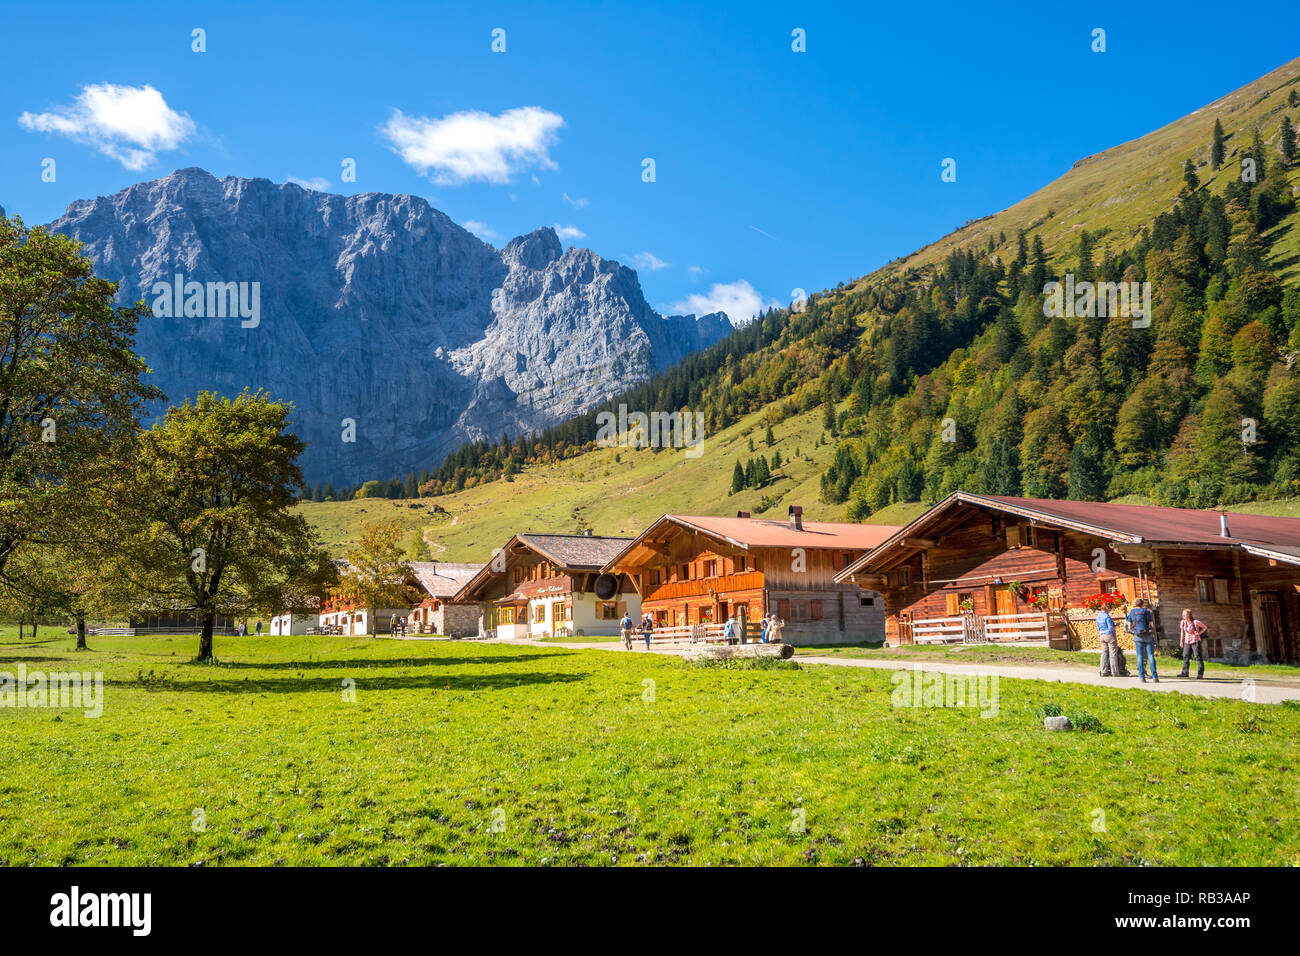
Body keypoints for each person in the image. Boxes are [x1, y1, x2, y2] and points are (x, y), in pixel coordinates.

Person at [1127, 598, 1159, 683]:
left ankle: (1142, 677)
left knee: (1140, 656)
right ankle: (1155, 677)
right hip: (1147, 635)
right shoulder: (1146, 611)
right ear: (1142, 604)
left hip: (1138, 636)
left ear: (1135, 604)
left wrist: (1134, 630)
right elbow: (1151, 624)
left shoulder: (1132, 612)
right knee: (1151, 655)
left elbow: (1129, 626)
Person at [1178, 608, 1208, 679]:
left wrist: (1199, 633)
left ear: (1189, 615)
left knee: (1198, 657)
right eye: (1183, 614)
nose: (1183, 615)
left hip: (1195, 641)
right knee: (1185, 656)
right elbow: (1182, 632)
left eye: (1185, 614)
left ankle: (1200, 674)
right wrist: (1181, 641)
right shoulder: (1182, 622)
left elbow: (1205, 627)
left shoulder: (1195, 622)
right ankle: (1185, 673)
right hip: (1187, 641)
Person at [1096, 606, 1122, 677]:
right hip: (1109, 635)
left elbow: (1098, 627)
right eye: (1110, 609)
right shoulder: (1107, 616)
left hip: (1102, 635)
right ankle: (1115, 672)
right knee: (1113, 654)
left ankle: (1103, 671)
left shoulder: (1098, 616)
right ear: (1107, 609)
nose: (1110, 610)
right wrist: (1116, 625)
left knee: (1104, 653)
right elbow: (1111, 628)